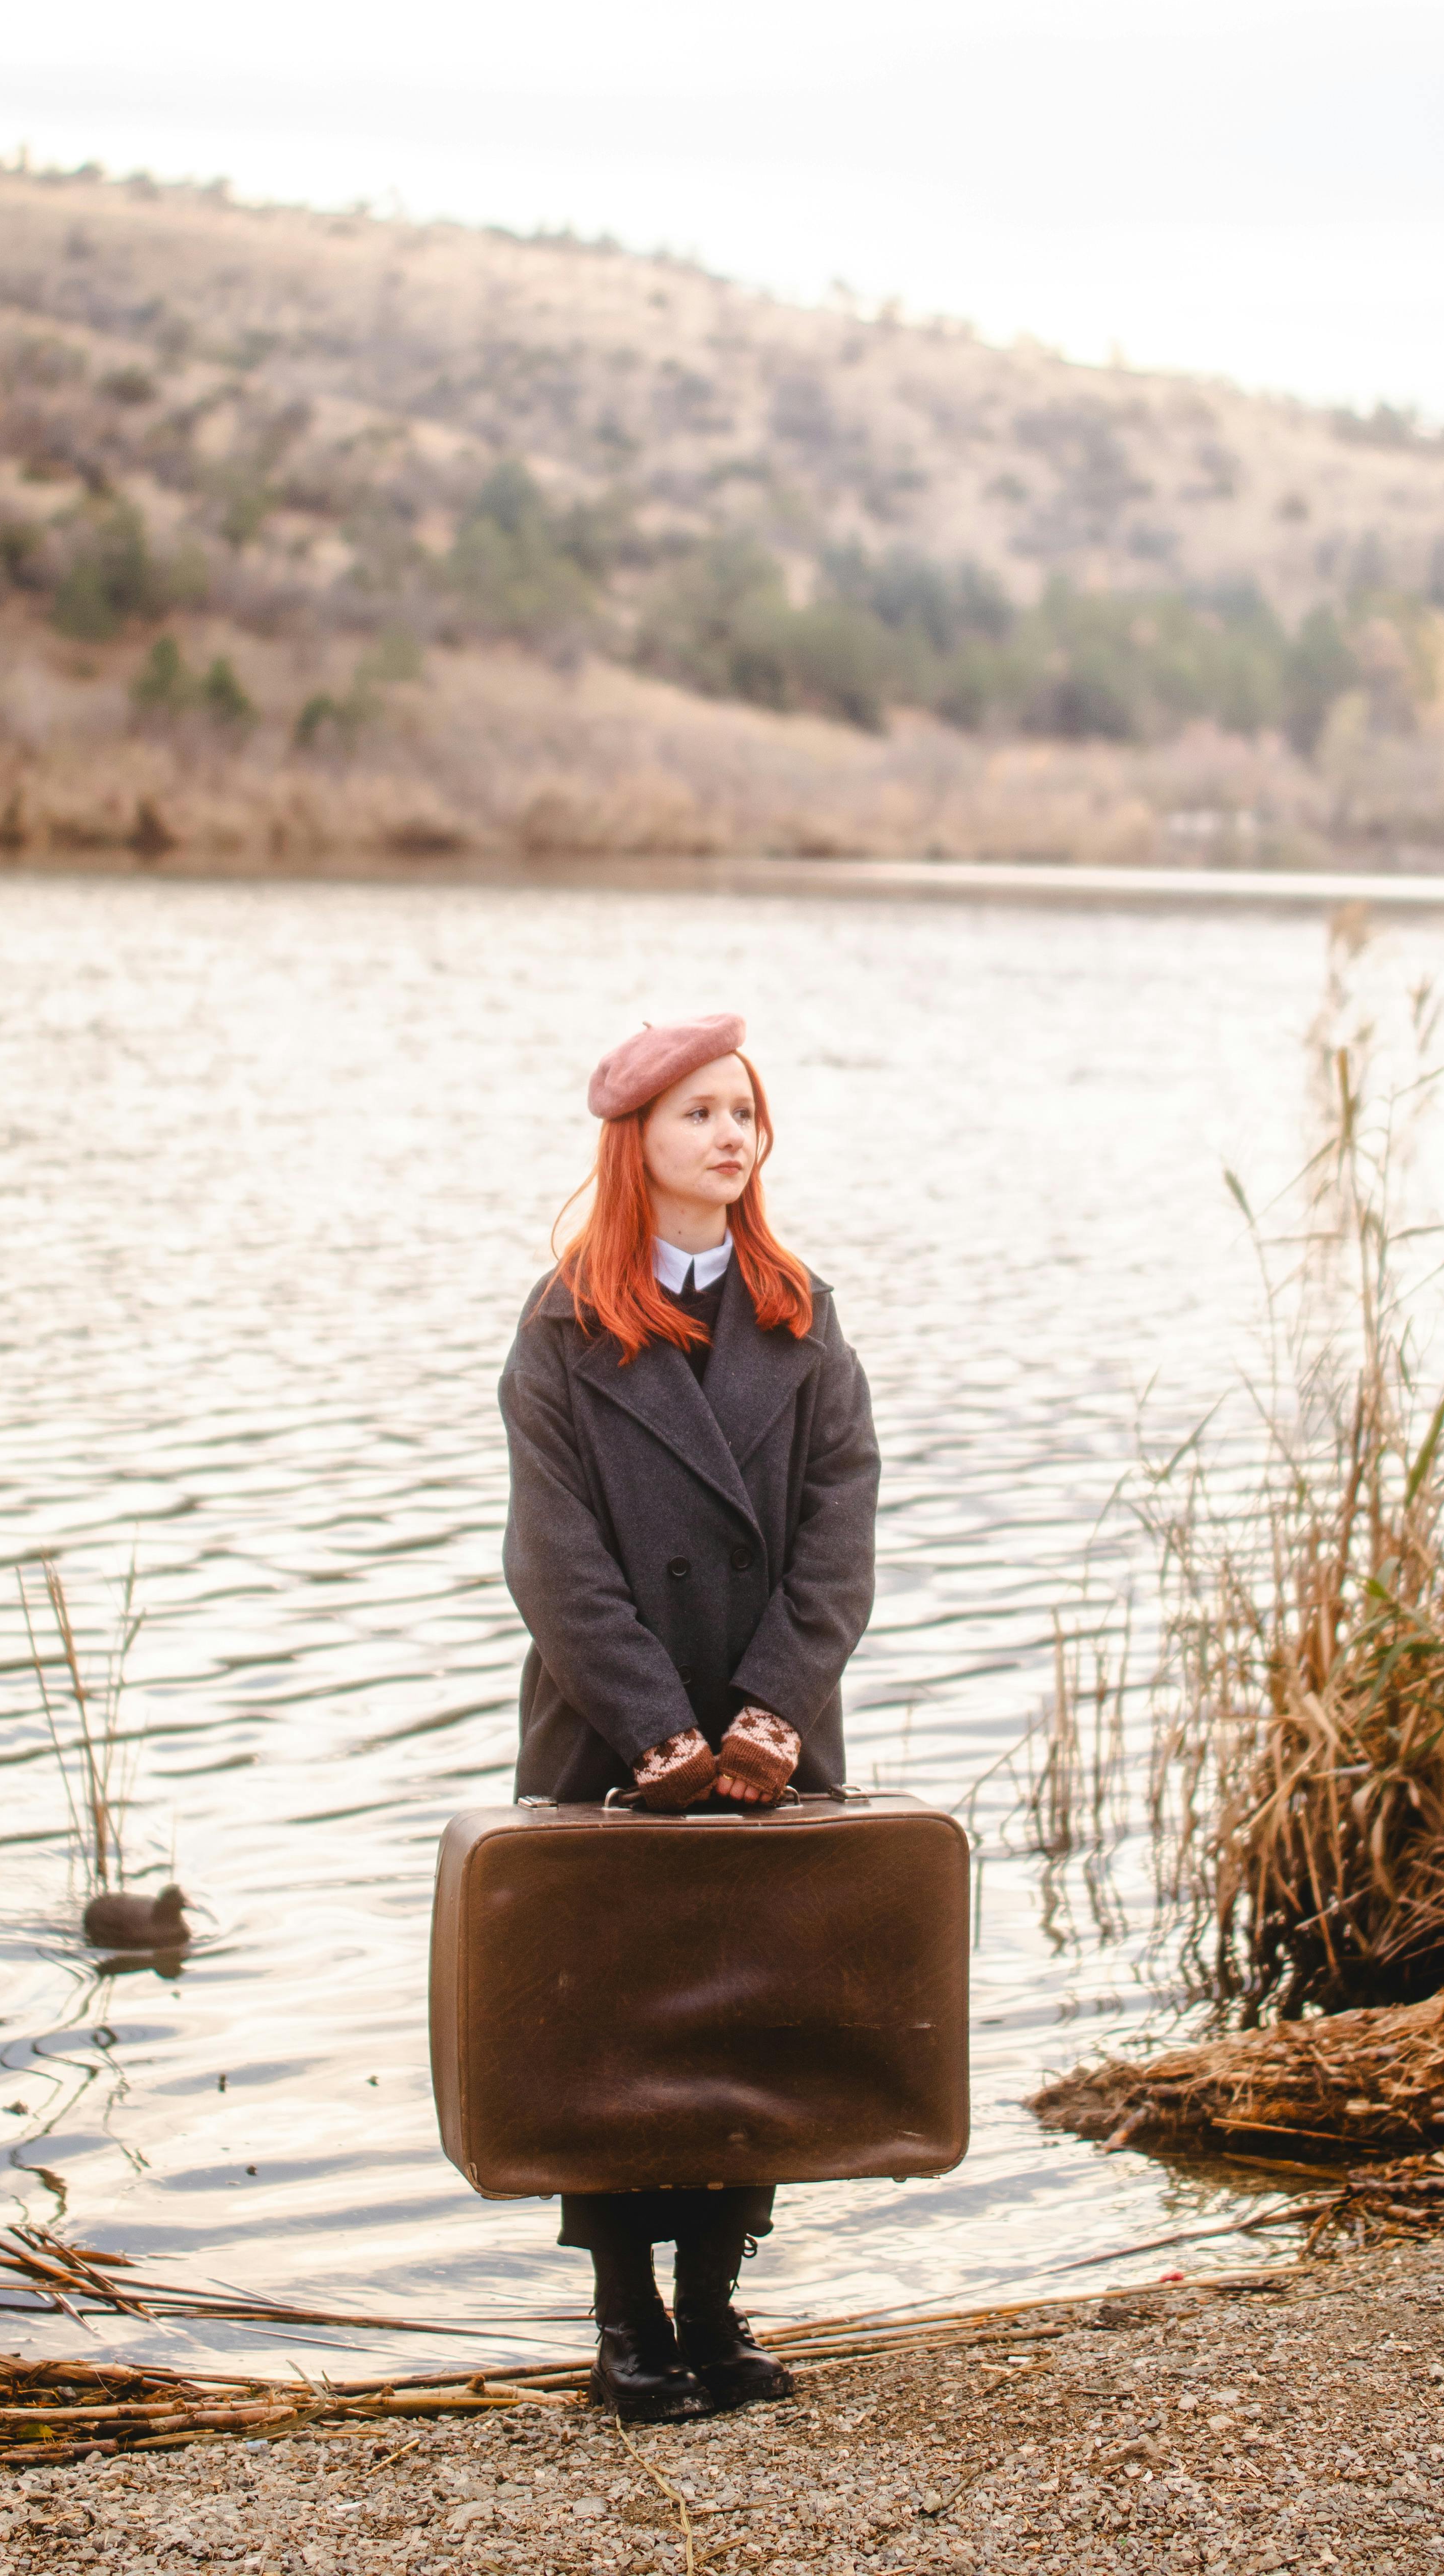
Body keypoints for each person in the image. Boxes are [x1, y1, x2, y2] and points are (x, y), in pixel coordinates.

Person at [498, 1011, 879, 2421]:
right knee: (618, 2018)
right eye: (699, 1115)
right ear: (637, 1143)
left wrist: (774, 1708)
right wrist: (658, 1732)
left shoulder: (801, 1310)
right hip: (619, 1736)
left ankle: (715, 2304)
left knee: (750, 2012)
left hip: (769, 1723)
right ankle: (622, 2323)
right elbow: (554, 1559)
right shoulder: (559, 1333)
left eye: (744, 1113)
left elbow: (844, 1527)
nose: (732, 1135)